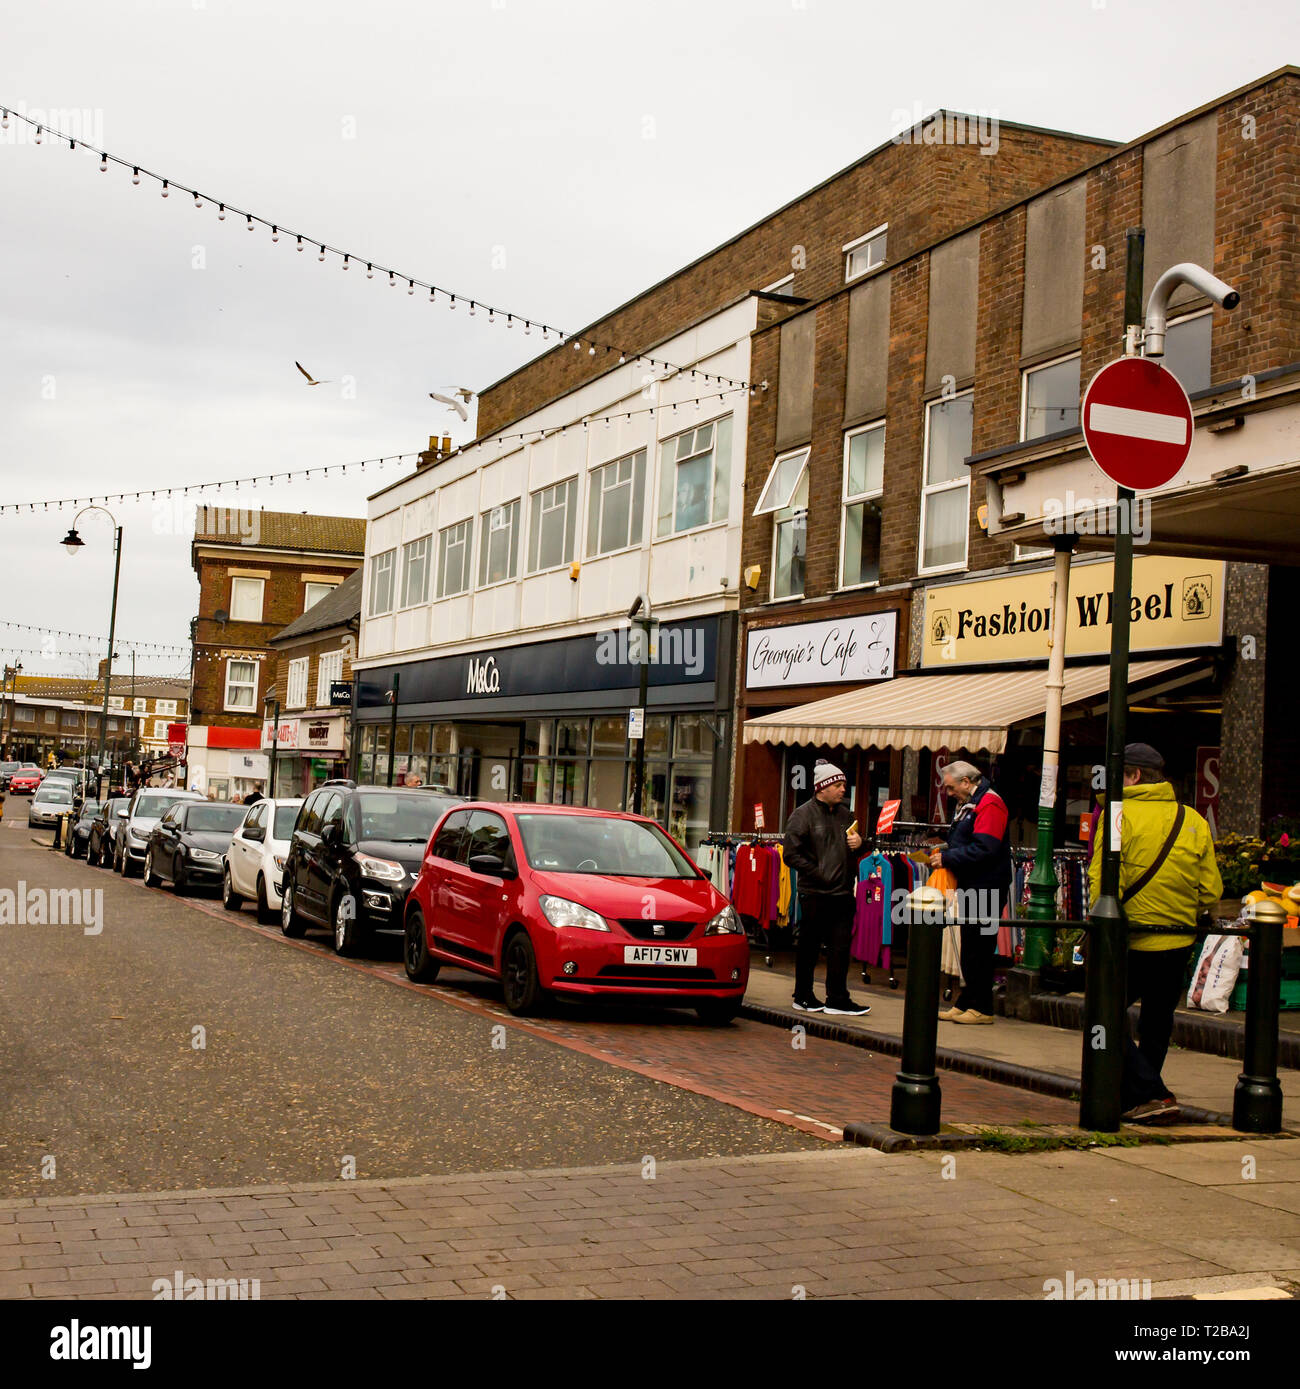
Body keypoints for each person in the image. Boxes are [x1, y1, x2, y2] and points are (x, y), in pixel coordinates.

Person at [1090, 742, 1222, 1124]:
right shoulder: (1192, 819)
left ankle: (1150, 1093)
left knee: (1103, 1016)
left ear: (1132, 776)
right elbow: (1211, 891)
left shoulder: (1118, 816)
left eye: (1117, 775)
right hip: (1177, 938)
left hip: (1129, 939)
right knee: (1157, 1022)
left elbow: (1103, 882)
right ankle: (1141, 1096)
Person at [781, 760, 870, 1016]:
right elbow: (790, 854)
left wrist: (861, 843)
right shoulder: (802, 815)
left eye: (844, 785)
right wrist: (818, 873)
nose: (844, 790)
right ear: (823, 787)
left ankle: (838, 998)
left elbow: (859, 847)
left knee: (840, 948)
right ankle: (803, 995)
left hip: (842, 892)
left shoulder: (846, 815)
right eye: (839, 785)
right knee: (809, 947)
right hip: (815, 893)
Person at [931, 760, 1011, 1026]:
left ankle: (982, 1007)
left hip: (986, 883)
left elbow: (985, 848)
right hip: (974, 882)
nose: (950, 793)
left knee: (979, 946)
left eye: (952, 788)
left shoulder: (990, 803)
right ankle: (968, 1001)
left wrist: (948, 858)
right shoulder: (972, 804)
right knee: (970, 946)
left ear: (966, 782)